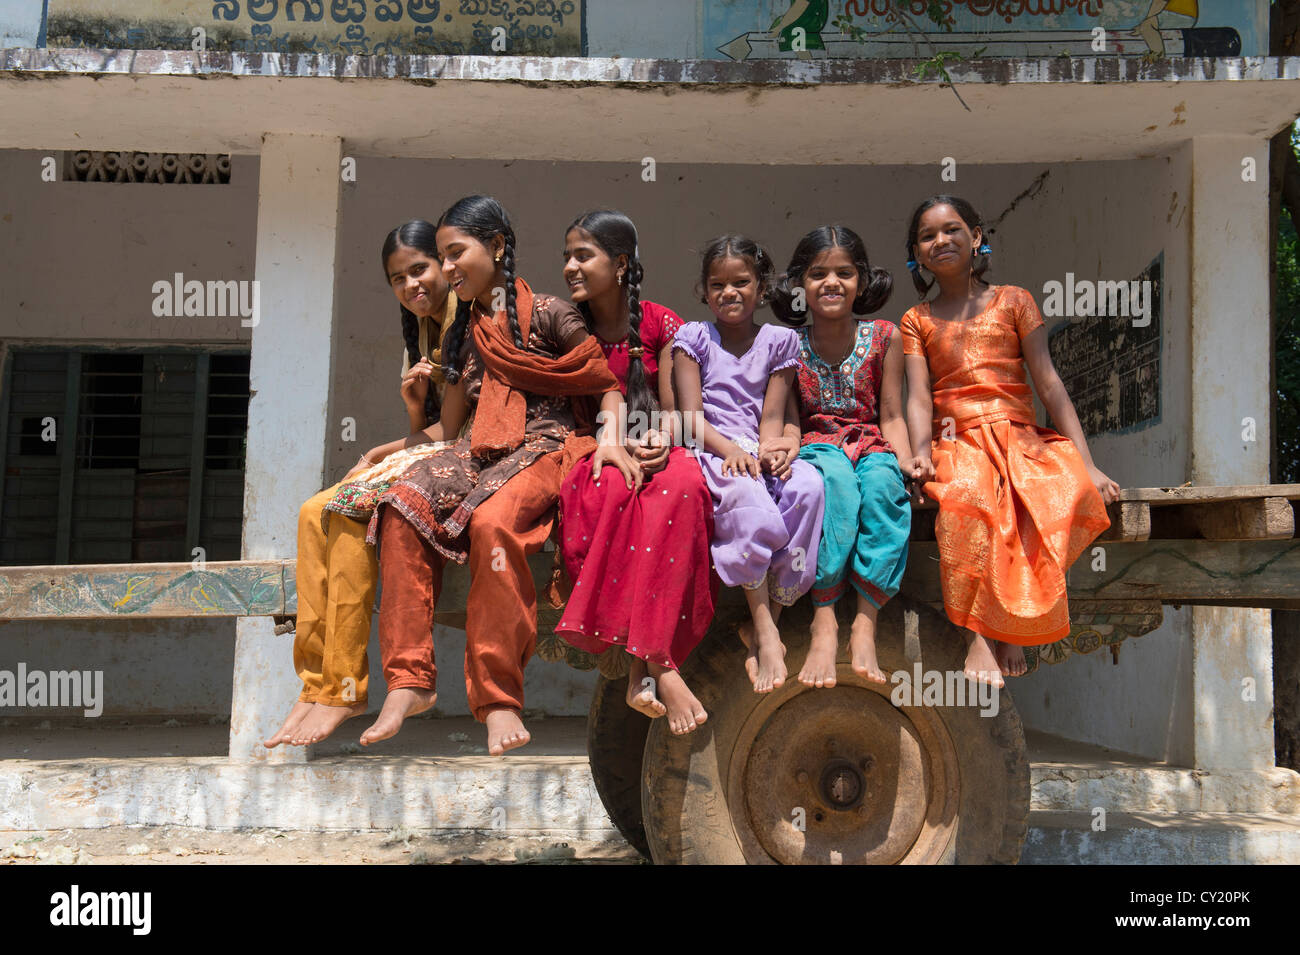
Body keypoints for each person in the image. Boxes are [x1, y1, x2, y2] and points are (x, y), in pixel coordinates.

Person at [357, 195, 626, 756]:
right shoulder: (461, 333)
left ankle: (498, 697)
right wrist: (399, 435)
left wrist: (613, 442)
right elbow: (449, 429)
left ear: (498, 246)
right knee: (400, 502)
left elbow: (605, 383)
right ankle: (409, 681)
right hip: (478, 453)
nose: (448, 268)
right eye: (443, 257)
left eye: (457, 254)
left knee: (493, 524)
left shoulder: (551, 312)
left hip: (546, 447)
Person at [900, 195, 1120, 686]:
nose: (941, 241)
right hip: (957, 440)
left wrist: (1089, 463)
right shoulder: (917, 320)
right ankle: (978, 635)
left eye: (952, 229)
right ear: (916, 253)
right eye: (928, 236)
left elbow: (1049, 384)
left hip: (1020, 434)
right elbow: (918, 398)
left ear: (977, 236)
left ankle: (1013, 623)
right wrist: (919, 454)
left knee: (1058, 491)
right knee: (967, 499)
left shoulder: (1015, 300)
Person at [264, 219, 456, 748]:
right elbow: (429, 429)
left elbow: (467, 429)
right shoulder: (419, 330)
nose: (412, 285)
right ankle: (318, 681)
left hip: (472, 457)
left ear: (444, 264)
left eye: (420, 269)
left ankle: (346, 684)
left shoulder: (469, 322)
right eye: (398, 278)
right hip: (435, 449)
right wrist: (413, 411)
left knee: (348, 509)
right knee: (311, 512)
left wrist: (375, 454)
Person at [553, 211, 717, 736]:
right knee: (616, 488)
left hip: (656, 442)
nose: (570, 268)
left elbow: (673, 408)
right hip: (591, 449)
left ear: (620, 264)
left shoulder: (659, 322)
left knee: (688, 486)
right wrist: (614, 444)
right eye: (566, 257)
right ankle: (660, 664)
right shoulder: (564, 325)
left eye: (583, 255)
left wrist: (660, 438)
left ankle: (643, 669)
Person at [673, 235, 824, 694]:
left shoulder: (779, 341)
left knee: (808, 488)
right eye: (717, 284)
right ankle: (762, 626)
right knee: (749, 500)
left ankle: (771, 620)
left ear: (761, 289)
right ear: (703, 291)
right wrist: (732, 453)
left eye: (742, 282)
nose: (729, 292)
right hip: (713, 447)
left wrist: (776, 450)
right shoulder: (693, 339)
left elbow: (773, 416)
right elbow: (690, 419)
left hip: (759, 443)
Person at [771, 225, 914, 688]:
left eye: (845, 272)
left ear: (863, 280)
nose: (831, 282)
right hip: (817, 445)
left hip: (872, 441)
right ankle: (826, 617)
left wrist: (907, 462)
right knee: (835, 486)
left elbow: (891, 412)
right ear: (800, 284)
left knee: (882, 488)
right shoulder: (790, 344)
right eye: (817, 274)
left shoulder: (885, 336)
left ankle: (865, 622)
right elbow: (790, 418)